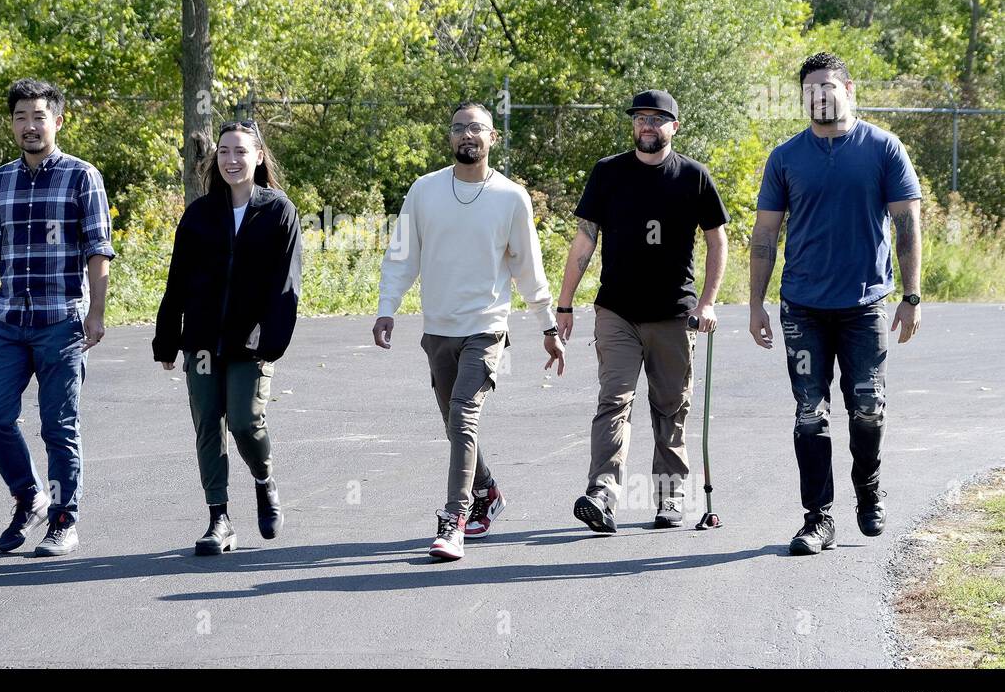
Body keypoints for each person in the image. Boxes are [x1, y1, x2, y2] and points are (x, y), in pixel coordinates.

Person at [375, 101, 564, 561]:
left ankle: (454, 520)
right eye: (458, 128)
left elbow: (528, 269)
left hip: (486, 328)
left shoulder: (511, 197)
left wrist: (547, 325)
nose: (467, 135)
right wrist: (387, 308)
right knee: (454, 423)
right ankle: (489, 491)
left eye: (476, 128)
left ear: (492, 138)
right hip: (437, 330)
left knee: (462, 416)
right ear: (449, 137)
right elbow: (402, 255)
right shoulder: (424, 191)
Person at [750, 52, 922, 556]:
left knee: (867, 407)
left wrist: (911, 297)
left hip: (864, 304)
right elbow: (764, 235)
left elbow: (908, 225)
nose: (819, 96)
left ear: (849, 89)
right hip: (801, 306)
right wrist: (756, 303)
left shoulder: (883, 148)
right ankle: (818, 518)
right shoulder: (785, 157)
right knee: (810, 412)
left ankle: (868, 489)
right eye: (810, 89)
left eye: (828, 86)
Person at [556, 90, 729, 533]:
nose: (647, 126)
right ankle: (602, 495)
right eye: (640, 118)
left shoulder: (693, 177)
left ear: (674, 126)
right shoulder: (608, 173)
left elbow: (717, 241)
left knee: (671, 407)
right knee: (614, 400)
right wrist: (565, 302)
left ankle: (670, 499)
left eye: (657, 119)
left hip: (674, 313)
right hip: (618, 310)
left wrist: (707, 302)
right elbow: (585, 239)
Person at [0, 79, 115, 557]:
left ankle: (63, 520)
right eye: (20, 118)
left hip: (61, 322)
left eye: (38, 117)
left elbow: (98, 250)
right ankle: (29, 495)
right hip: (9, 320)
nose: (29, 126)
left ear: (58, 119)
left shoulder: (81, 177)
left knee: (59, 426)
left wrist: (96, 313)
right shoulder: (0, 180)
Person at [153, 120, 301, 556]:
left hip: (250, 343)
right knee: (208, 427)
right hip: (200, 341)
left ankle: (263, 476)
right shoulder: (199, 214)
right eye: (223, 152)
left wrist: (271, 342)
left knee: (243, 421)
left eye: (240, 151)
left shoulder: (278, 211)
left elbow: (286, 284)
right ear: (215, 159)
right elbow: (177, 279)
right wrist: (167, 337)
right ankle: (218, 518)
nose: (231, 160)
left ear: (258, 156)